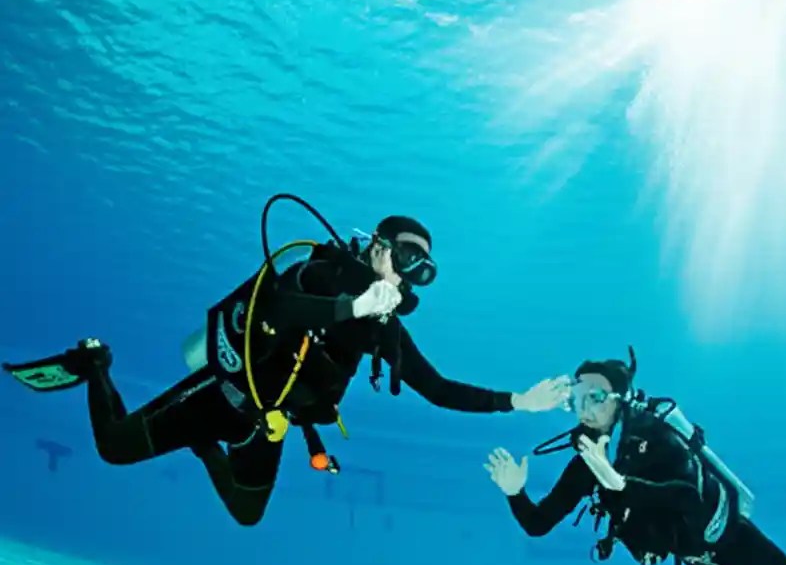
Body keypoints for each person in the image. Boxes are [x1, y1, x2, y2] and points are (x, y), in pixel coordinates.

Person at [4, 195, 571, 526]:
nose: (407, 270)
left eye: (420, 266)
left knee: (247, 515)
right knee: (113, 450)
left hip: (268, 423)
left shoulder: (384, 329)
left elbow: (439, 388)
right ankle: (95, 364)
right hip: (223, 392)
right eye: (402, 254)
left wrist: (517, 402)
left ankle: (207, 451)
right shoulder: (323, 272)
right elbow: (282, 306)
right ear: (376, 247)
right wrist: (350, 305)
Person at [483, 351, 786, 565]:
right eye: (576, 399)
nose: (584, 410)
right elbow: (538, 524)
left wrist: (622, 484)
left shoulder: (655, 439)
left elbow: (688, 496)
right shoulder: (586, 464)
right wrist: (515, 493)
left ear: (620, 400)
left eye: (596, 396)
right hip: (691, 552)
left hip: (726, 533)